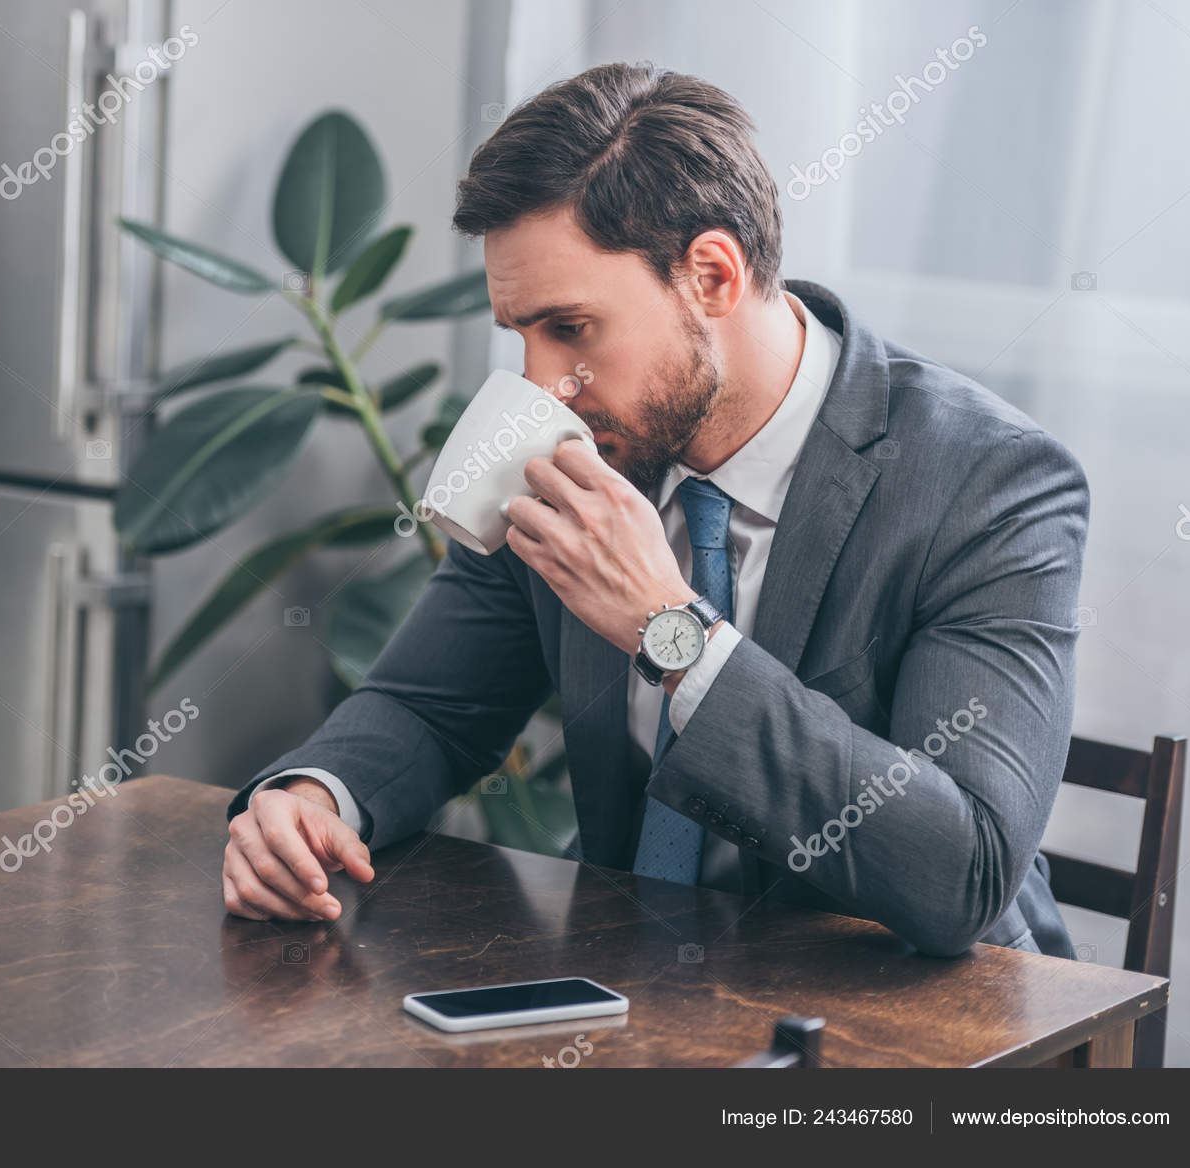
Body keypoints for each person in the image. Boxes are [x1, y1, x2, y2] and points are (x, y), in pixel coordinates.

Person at [222, 63, 1086, 958]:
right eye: (520, 336)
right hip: (642, 997)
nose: (542, 385)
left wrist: (671, 631)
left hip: (923, 1023)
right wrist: (312, 799)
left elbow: (965, 875)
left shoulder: (989, 484)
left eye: (571, 329)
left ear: (712, 276)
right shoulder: (576, 448)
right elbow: (431, 708)